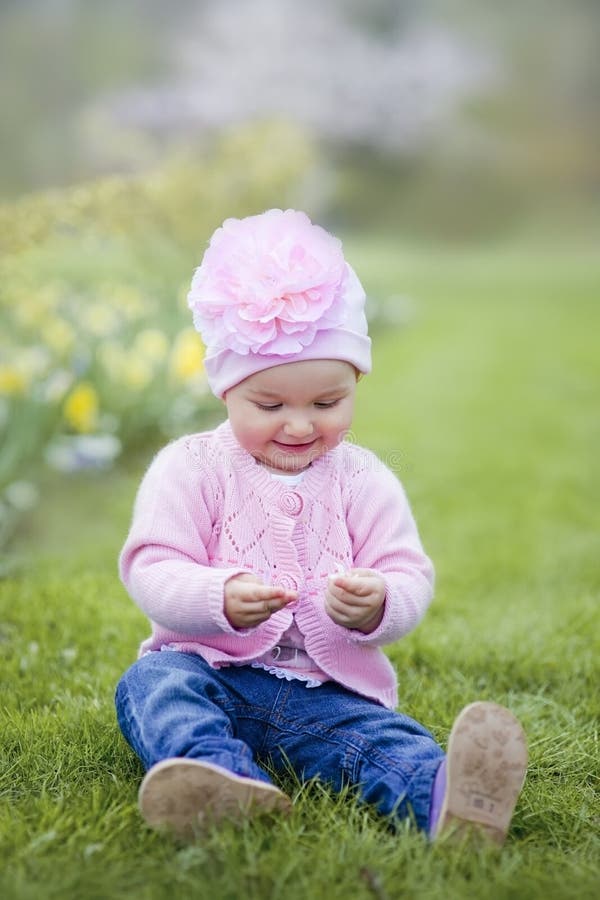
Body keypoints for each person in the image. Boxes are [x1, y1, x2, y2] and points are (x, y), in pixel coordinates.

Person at [115, 209, 527, 842]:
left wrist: (378, 602)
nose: (301, 425)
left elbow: (407, 573)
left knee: (378, 738)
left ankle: (448, 799)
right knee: (153, 685)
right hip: (210, 668)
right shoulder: (189, 467)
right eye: (270, 404)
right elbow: (152, 566)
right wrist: (215, 597)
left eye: (327, 403)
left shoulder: (364, 479)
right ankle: (209, 777)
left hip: (324, 691)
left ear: (355, 384)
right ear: (225, 391)